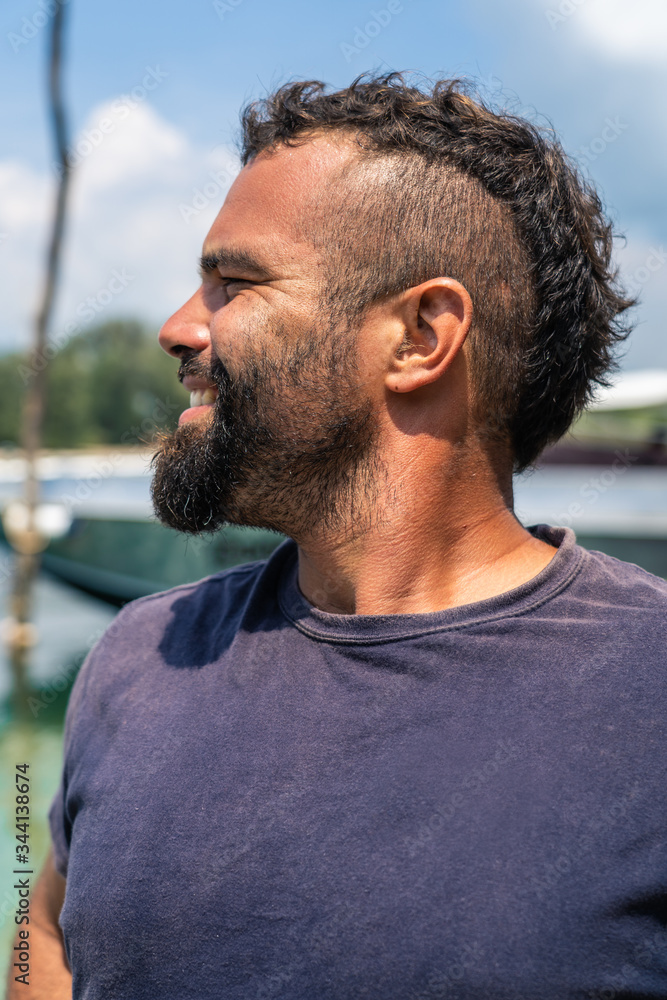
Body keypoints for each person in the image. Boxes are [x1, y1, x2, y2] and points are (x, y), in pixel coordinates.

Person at [9, 74, 667, 999]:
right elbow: (46, 931)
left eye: (232, 284)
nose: (177, 328)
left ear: (419, 337)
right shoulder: (139, 657)